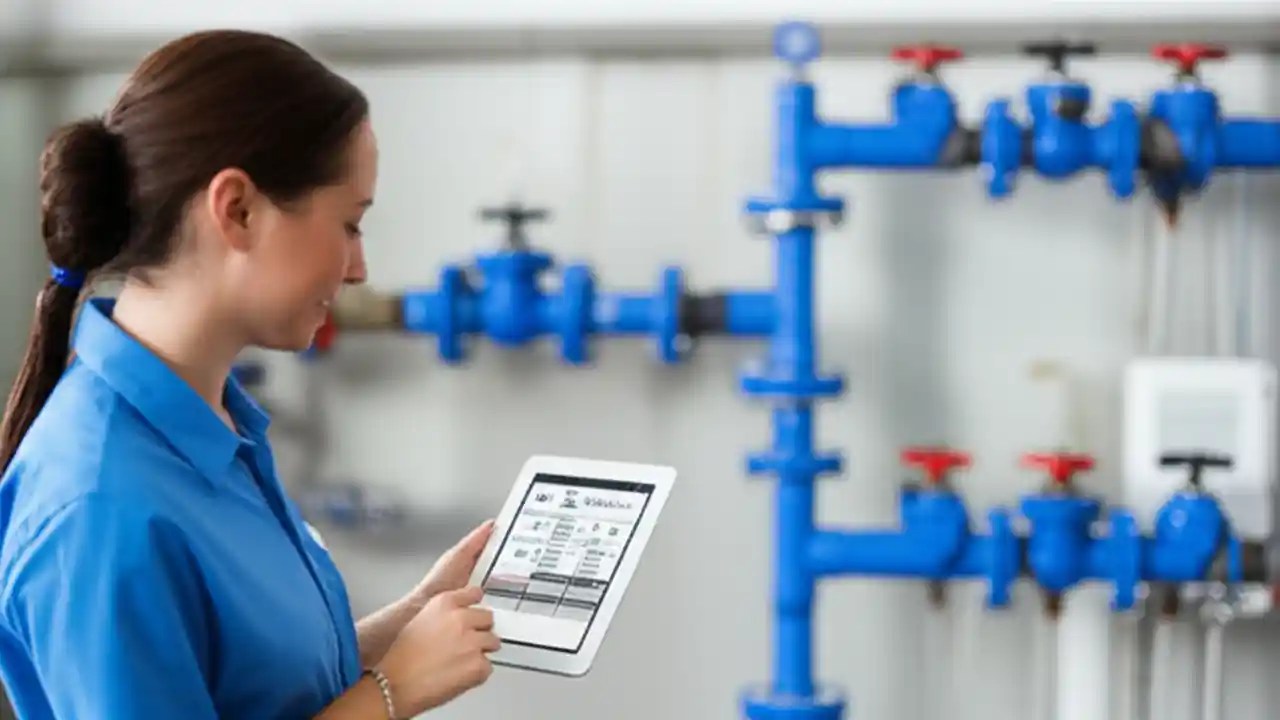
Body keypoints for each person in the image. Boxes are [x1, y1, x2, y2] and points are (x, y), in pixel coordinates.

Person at [0, 29, 500, 719]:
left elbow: (254, 690)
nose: (359, 268)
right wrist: (394, 692)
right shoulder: (99, 507)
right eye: (349, 224)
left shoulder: (213, 429)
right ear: (236, 209)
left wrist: (411, 624)